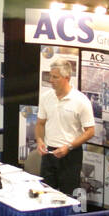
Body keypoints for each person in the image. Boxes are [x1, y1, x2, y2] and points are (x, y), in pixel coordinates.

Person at [35, 60, 96, 196]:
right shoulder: (46, 98)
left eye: (55, 77)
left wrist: (68, 147)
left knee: (70, 196)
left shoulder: (81, 100)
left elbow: (90, 131)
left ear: (67, 78)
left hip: (70, 155)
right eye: (50, 76)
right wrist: (39, 141)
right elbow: (40, 124)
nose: (51, 80)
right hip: (49, 154)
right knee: (45, 195)